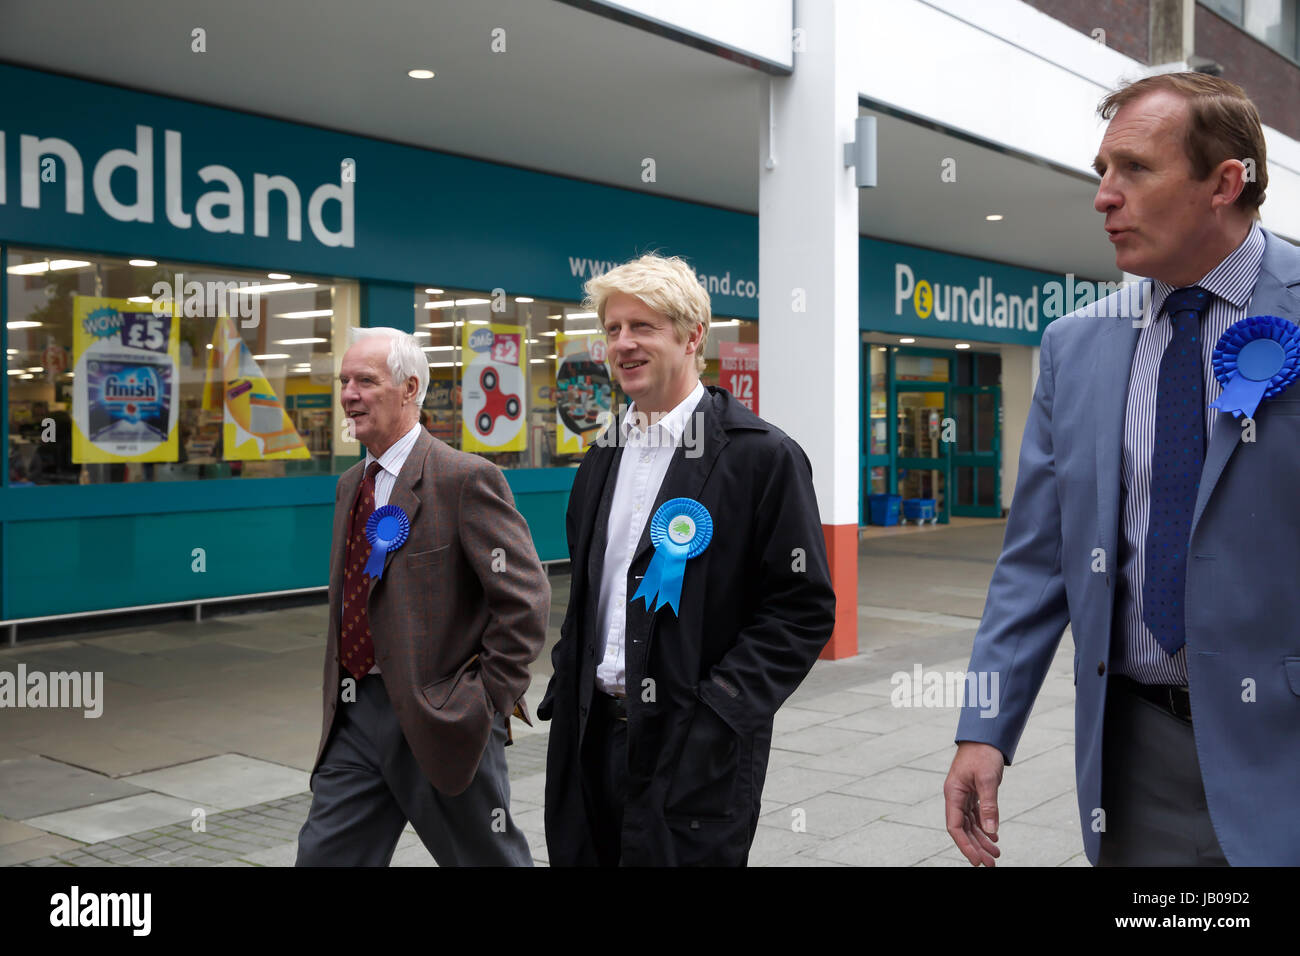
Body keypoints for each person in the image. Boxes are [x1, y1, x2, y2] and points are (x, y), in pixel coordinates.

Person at [944, 73, 1300, 866]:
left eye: (1134, 169)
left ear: (1224, 183)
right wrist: (982, 726)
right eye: (1101, 172)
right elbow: (1034, 563)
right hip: (1134, 766)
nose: (1104, 197)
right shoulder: (1075, 344)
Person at [539, 253, 837, 866]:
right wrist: (566, 678)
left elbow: (801, 609)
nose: (623, 343)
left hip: (693, 750)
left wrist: (720, 710)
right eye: (613, 328)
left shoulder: (762, 458)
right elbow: (590, 595)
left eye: (643, 327)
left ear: (693, 335)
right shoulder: (602, 456)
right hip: (589, 742)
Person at [297, 326, 548, 866]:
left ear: (410, 389)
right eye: (344, 381)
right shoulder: (350, 485)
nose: (348, 394)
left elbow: (524, 601)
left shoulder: (464, 478)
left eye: (365, 380)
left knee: (487, 860)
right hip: (354, 717)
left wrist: (482, 702)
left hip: (442, 718)